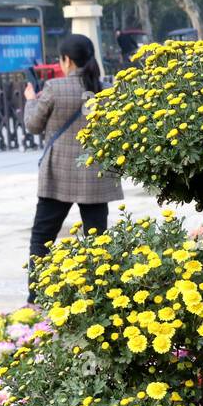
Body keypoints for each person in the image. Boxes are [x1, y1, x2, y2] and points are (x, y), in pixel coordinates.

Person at [23, 34, 123, 300]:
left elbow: (33, 125)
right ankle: (101, 296)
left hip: (59, 176)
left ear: (66, 60)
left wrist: (31, 99)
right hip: (95, 176)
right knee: (99, 241)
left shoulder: (55, 88)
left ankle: (36, 298)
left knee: (42, 238)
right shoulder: (104, 90)